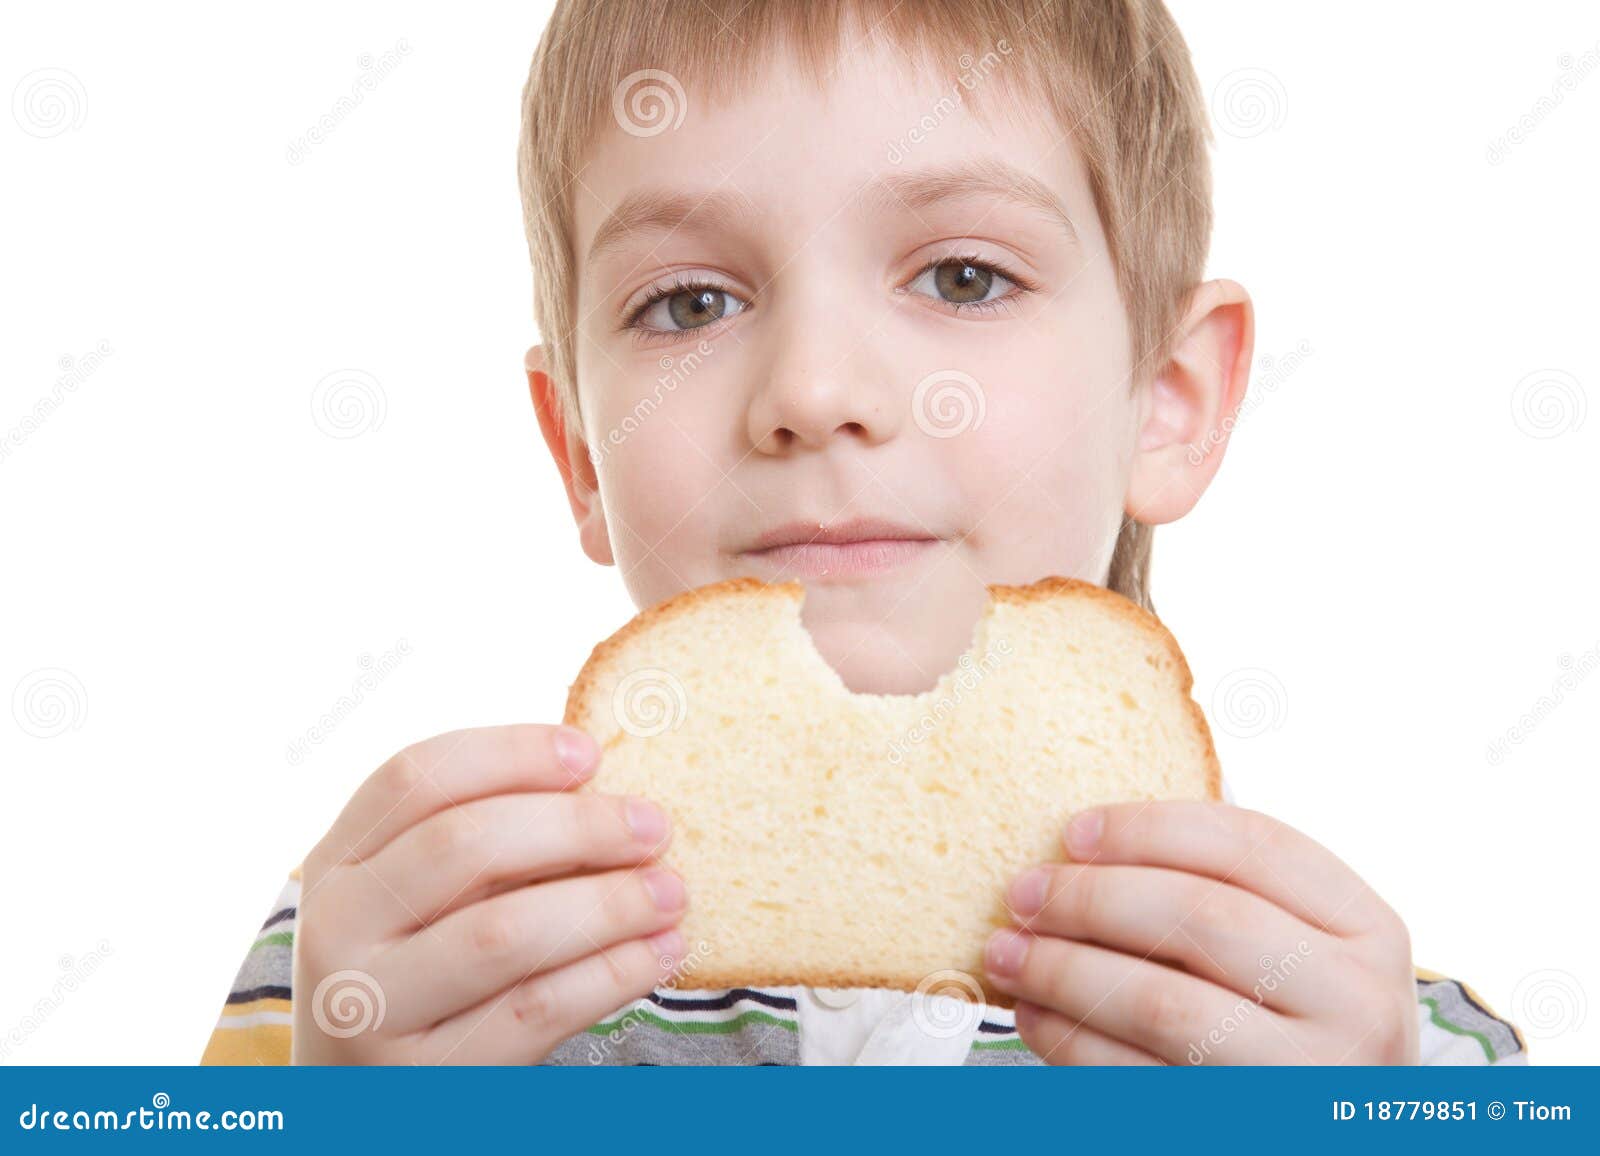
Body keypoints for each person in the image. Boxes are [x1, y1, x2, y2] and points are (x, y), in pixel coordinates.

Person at [204, 0, 1525, 1066]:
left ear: (1168, 401)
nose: (815, 389)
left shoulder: (1374, 1048)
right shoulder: (399, 965)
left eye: (964, 276)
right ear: (582, 456)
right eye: (689, 305)